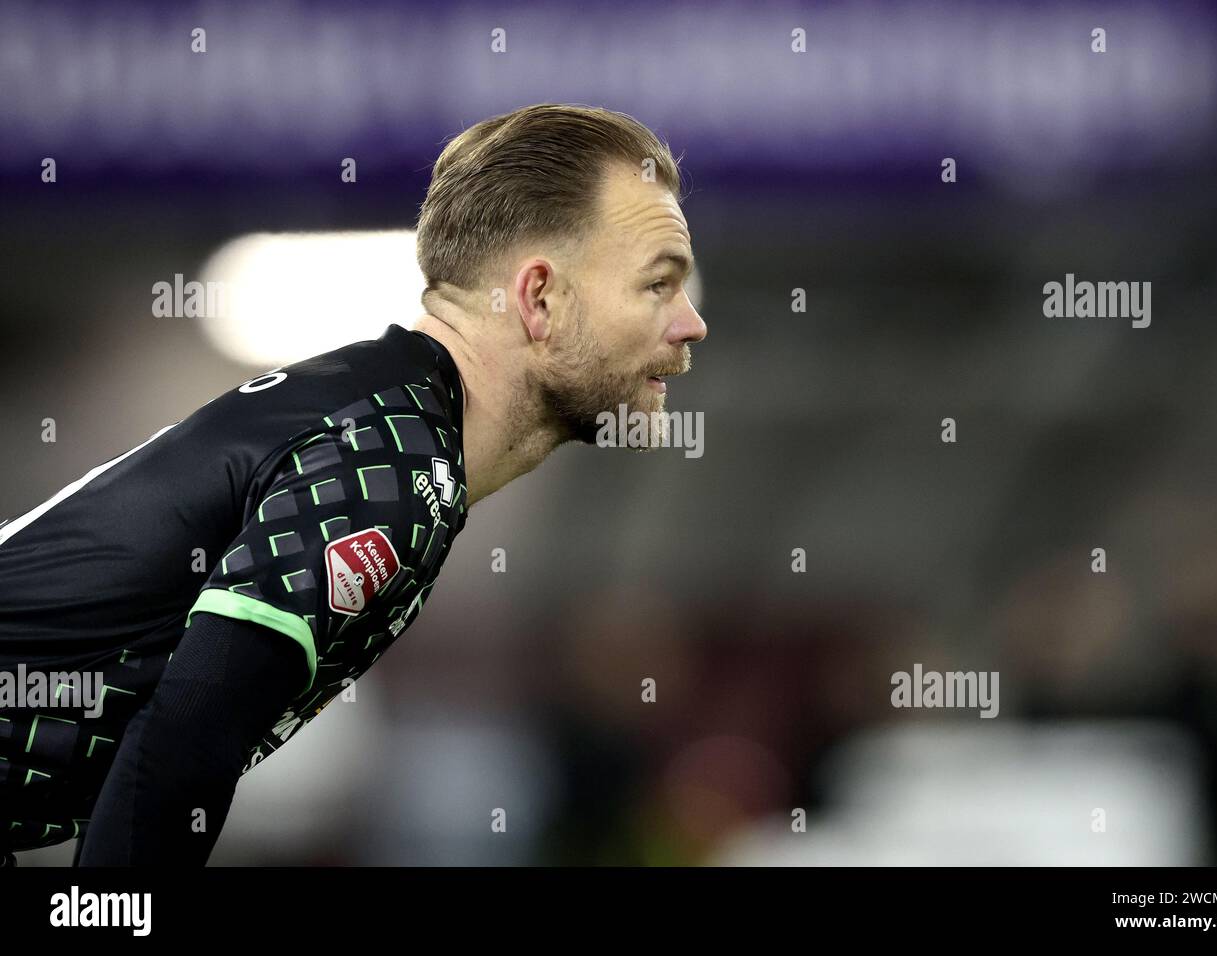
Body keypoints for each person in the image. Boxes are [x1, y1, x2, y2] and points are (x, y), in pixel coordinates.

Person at [0, 103, 706, 865]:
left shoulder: (394, 426)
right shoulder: (392, 462)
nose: (691, 323)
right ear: (538, 296)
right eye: (659, 285)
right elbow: (189, 730)